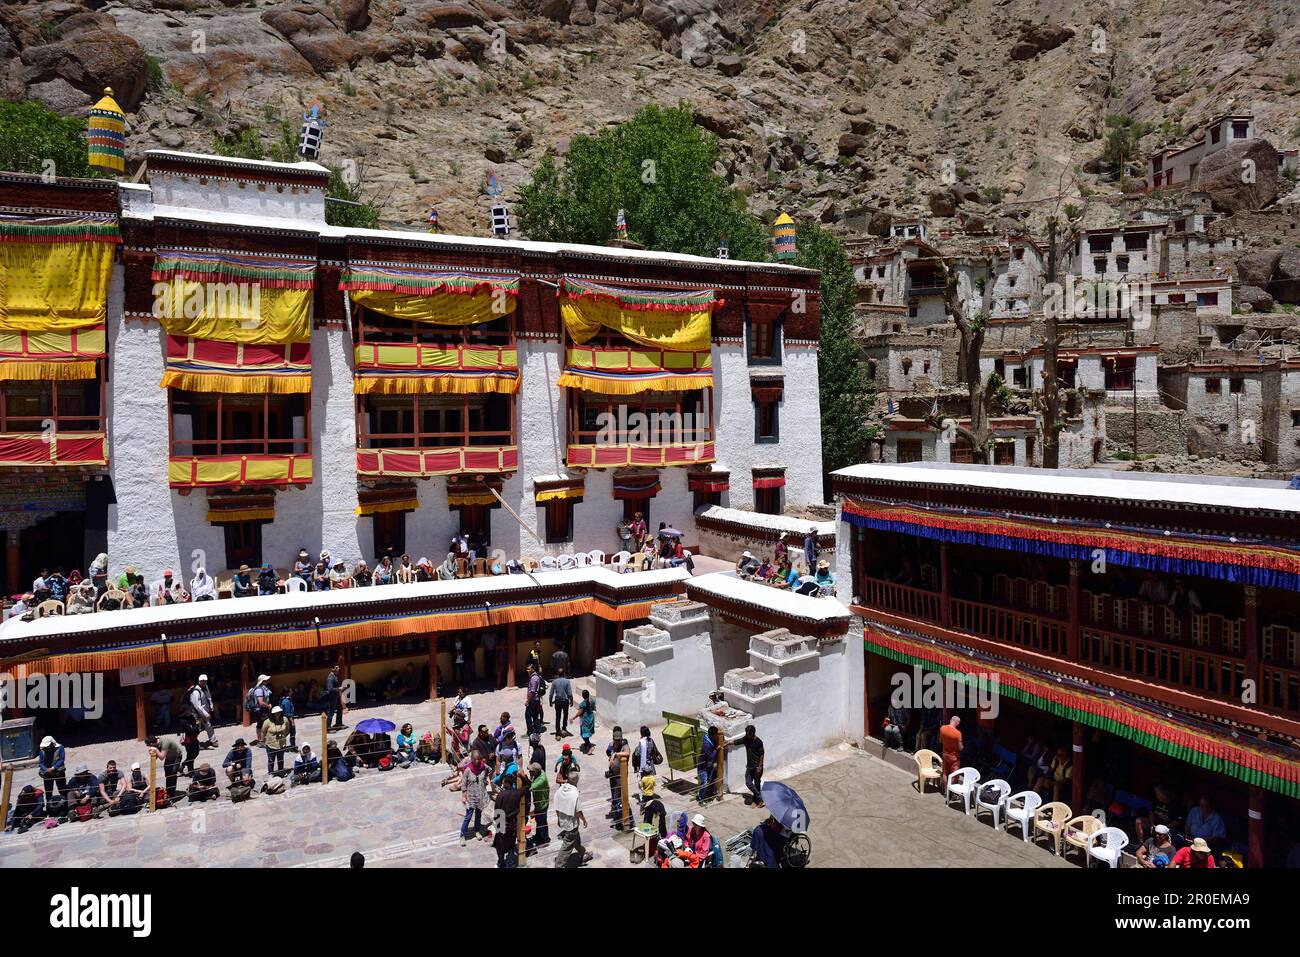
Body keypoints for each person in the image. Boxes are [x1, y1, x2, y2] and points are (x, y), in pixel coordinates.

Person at [552, 770, 592, 867]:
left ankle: (582, 853)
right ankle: (558, 865)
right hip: (571, 824)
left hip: (563, 821)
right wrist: (584, 820)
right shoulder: (574, 793)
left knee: (575, 839)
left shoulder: (560, 790)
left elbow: (556, 805)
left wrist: (558, 818)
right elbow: (578, 811)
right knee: (567, 846)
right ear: (576, 780)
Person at [492, 769, 529, 868]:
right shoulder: (516, 794)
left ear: (504, 783)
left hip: (500, 821)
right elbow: (528, 786)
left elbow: (496, 811)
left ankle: (500, 862)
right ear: (512, 783)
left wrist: (497, 825)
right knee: (511, 843)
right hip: (511, 823)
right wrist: (522, 777)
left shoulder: (500, 795)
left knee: (500, 844)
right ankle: (510, 862)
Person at [459, 751, 491, 845]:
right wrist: (463, 796)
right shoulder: (468, 770)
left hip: (480, 795)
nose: (477, 761)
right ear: (472, 759)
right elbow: (463, 784)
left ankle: (476, 830)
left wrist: (486, 780)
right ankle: (462, 835)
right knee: (468, 817)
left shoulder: (483, 767)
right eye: (474, 759)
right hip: (471, 797)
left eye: (478, 759)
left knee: (478, 814)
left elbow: (490, 770)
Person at [607, 725, 631, 827]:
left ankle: (619, 820)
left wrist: (615, 754)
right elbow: (608, 752)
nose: (617, 742)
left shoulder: (624, 745)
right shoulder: (611, 745)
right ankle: (617, 815)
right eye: (615, 740)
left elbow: (627, 752)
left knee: (618, 797)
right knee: (614, 796)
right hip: (613, 775)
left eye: (618, 740)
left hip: (620, 777)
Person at [262, 707, 292, 777]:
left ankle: (281, 772)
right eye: (276, 713)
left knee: (281, 760)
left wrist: (283, 737)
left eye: (279, 712)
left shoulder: (285, 719)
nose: (278, 714)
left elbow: (287, 729)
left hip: (281, 745)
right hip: (270, 745)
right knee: (271, 761)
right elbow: (263, 731)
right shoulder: (267, 722)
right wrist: (264, 741)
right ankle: (271, 773)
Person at [189, 674, 218, 746]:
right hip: (198, 713)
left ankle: (213, 740)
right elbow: (197, 706)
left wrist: (211, 705)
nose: (204, 682)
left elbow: (209, 696)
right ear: (199, 681)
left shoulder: (206, 687)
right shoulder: (196, 691)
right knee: (197, 728)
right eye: (202, 681)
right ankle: (192, 742)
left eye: (205, 681)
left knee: (209, 726)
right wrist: (206, 714)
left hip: (205, 711)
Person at [742, 725, 765, 807]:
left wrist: (760, 766)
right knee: (748, 783)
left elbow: (762, 754)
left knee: (757, 784)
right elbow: (736, 742)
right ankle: (760, 798)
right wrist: (727, 743)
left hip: (757, 767)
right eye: (746, 733)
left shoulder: (758, 742)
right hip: (749, 766)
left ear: (752, 733)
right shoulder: (746, 739)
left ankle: (756, 801)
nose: (746, 734)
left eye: (748, 733)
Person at [246, 673, 273, 744]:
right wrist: (268, 706)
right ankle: (261, 740)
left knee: (263, 724)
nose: (267, 681)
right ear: (262, 681)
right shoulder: (259, 690)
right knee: (261, 725)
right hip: (260, 710)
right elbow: (261, 702)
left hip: (262, 710)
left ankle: (263, 739)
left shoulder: (263, 688)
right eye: (265, 680)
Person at [697, 726, 719, 805]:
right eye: (716, 734)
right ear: (713, 735)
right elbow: (710, 756)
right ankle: (700, 799)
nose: (717, 736)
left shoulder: (711, 740)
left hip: (709, 765)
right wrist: (717, 749)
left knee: (709, 780)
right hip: (703, 766)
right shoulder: (706, 744)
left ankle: (705, 794)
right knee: (704, 782)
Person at [549, 669, 572, 739]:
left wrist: (550, 701)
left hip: (558, 701)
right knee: (565, 715)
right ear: (564, 674)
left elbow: (551, 693)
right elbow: (570, 693)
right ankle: (564, 728)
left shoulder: (554, 682)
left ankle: (558, 733)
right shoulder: (567, 681)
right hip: (565, 701)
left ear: (558, 674)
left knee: (558, 717)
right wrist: (572, 701)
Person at [524, 664, 544, 737]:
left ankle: (530, 732)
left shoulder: (534, 678)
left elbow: (532, 691)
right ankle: (537, 731)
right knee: (535, 716)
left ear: (533, 669)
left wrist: (528, 701)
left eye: (529, 669)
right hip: (535, 700)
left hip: (533, 701)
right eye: (527, 669)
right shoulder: (535, 677)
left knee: (528, 716)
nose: (527, 670)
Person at [325, 664, 346, 731]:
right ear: (332, 669)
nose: (338, 669)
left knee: (340, 709)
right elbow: (330, 689)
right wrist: (339, 689)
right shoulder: (330, 677)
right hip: (332, 698)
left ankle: (338, 723)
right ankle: (328, 728)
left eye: (338, 668)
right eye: (336, 668)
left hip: (336, 697)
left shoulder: (334, 676)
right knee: (331, 712)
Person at [577, 689, 596, 754]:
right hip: (590, 718)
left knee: (583, 734)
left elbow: (579, 713)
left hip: (584, 720)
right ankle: (587, 743)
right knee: (586, 733)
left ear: (582, 696)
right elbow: (594, 708)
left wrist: (573, 717)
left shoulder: (582, 704)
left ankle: (589, 746)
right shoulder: (592, 701)